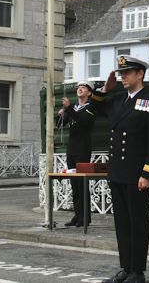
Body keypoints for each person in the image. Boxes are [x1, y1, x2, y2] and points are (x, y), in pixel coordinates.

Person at [91, 55, 149, 283]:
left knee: (137, 222)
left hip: (137, 174)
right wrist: (104, 89)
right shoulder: (117, 100)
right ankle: (125, 267)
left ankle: (137, 271)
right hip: (118, 172)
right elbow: (94, 108)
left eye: (127, 73)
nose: (123, 77)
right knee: (122, 222)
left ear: (139, 74)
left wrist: (148, 173)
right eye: (121, 73)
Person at [58, 81, 97, 227]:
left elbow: (82, 121)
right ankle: (77, 215)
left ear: (89, 92)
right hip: (72, 148)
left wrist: (69, 109)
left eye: (83, 87)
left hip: (82, 149)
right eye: (78, 87)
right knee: (74, 183)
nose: (80, 89)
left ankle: (85, 217)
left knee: (82, 183)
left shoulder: (91, 108)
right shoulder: (73, 106)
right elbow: (62, 124)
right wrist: (61, 115)